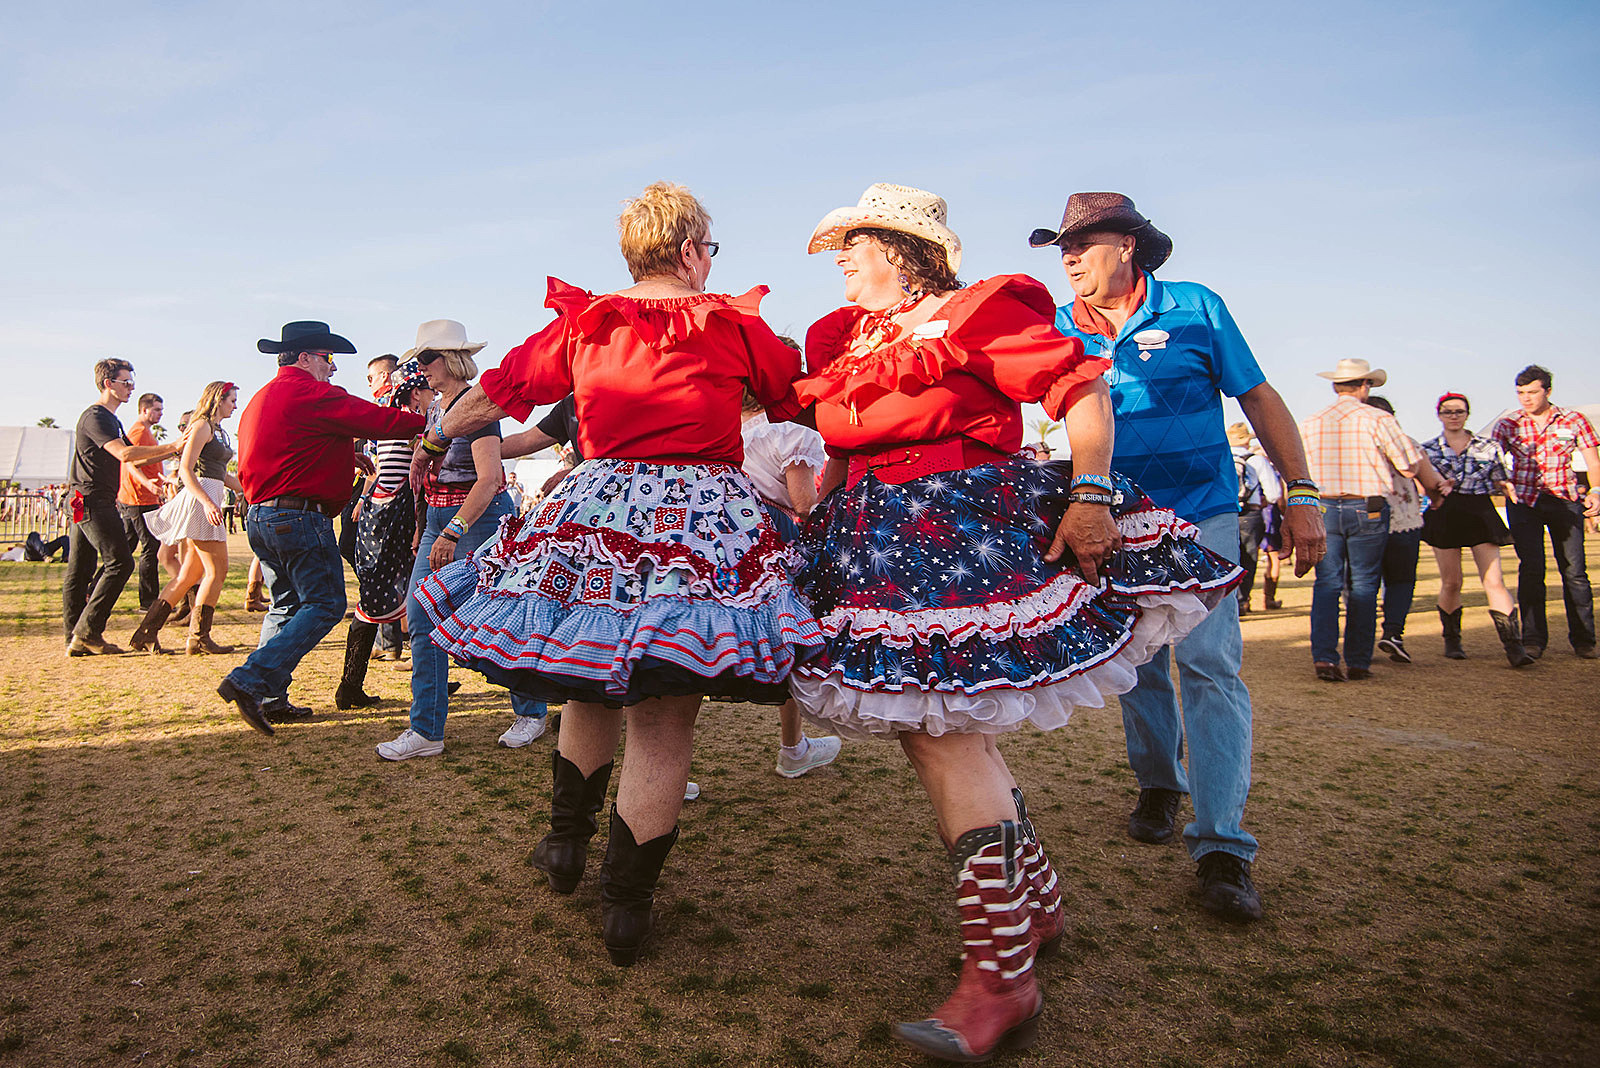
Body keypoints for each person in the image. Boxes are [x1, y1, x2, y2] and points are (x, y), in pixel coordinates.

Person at [792, 184, 1241, 1062]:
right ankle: (1034, 909)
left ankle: (1003, 977)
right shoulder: (844, 338)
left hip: (958, 534)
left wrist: (1091, 493)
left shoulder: (976, 311)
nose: (840, 256)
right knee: (945, 732)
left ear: (903, 250)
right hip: (873, 540)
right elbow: (843, 448)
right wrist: (814, 532)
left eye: (855, 242)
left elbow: (1081, 392)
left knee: (944, 736)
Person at [415, 182, 819, 968]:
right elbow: (799, 401)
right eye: (709, 250)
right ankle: (625, 910)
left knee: (585, 680)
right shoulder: (735, 322)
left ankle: (566, 847)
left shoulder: (584, 322)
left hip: (596, 508)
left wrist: (436, 441)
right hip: (700, 520)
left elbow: (476, 407)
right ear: (691, 250)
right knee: (664, 721)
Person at [1035, 191, 1322, 924]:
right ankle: (1160, 783)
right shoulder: (1057, 325)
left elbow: (1258, 397)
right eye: (1064, 247)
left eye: (1084, 243)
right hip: (1115, 518)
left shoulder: (1196, 307)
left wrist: (1300, 491)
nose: (1070, 257)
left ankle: (1223, 846)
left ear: (1128, 245)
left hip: (1203, 512)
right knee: (1137, 663)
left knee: (1209, 662)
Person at [216, 321, 425, 736]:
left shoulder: (264, 396)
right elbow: (379, 421)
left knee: (285, 606)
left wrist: (342, 455)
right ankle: (250, 680)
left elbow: (288, 449)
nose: (332, 367)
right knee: (326, 604)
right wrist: (437, 424)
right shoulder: (311, 393)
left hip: (263, 516)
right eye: (328, 358)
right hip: (298, 517)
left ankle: (270, 698)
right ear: (305, 357)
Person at [375, 319, 548, 759]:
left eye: (427, 358)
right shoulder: (435, 408)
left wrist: (453, 531)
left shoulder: (477, 408)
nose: (420, 367)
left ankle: (531, 712)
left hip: (478, 519)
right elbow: (429, 477)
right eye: (419, 359)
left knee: (499, 617)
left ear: (451, 359)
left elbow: (489, 479)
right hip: (440, 518)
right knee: (420, 618)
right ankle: (427, 731)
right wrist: (425, 527)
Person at [1300, 360, 1451, 682]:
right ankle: (1358, 660)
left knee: (1327, 583)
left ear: (1336, 386)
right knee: (1364, 584)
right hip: (1366, 505)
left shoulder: (1312, 421)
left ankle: (1324, 657)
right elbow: (1408, 466)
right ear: (1365, 385)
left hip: (1324, 505)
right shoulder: (1379, 419)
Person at [738, 367, 842, 779]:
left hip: (728, 535)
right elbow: (803, 503)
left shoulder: (723, 432)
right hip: (775, 535)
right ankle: (792, 747)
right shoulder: (790, 433)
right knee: (793, 638)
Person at [63, 359, 186, 656]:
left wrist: (171, 457)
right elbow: (125, 453)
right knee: (120, 563)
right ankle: (86, 632)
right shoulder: (97, 417)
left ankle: (76, 637)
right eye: (126, 382)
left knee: (81, 570)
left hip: (88, 499)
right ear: (109, 384)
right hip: (90, 500)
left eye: (132, 382)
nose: (131, 388)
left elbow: (134, 459)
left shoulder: (111, 420)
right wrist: (172, 446)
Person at [129, 382, 247, 655]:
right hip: (201, 501)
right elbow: (185, 469)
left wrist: (248, 490)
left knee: (189, 575)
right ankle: (198, 637)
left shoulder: (217, 430)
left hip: (208, 496)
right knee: (217, 571)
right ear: (218, 399)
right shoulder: (202, 426)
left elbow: (220, 474)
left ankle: (146, 633)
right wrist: (207, 502)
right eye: (232, 400)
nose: (235, 406)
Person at [1491, 365, 1600, 659]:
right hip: (1524, 502)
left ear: (1548, 391)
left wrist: (1596, 491)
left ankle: (1584, 639)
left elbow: (1593, 461)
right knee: (1531, 569)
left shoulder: (1574, 420)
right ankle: (1533, 639)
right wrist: (1501, 482)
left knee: (1574, 571)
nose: (1525, 398)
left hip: (1565, 501)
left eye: (1532, 392)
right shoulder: (1508, 424)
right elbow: (1493, 461)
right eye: (1520, 393)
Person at [333, 355, 419, 708]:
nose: (370, 384)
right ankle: (350, 685)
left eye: (372, 377)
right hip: (390, 514)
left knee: (396, 594)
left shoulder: (390, 407)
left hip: (384, 510)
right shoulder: (400, 410)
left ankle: (354, 684)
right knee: (386, 596)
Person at [1421, 392, 1530, 665]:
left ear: (1467, 414)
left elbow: (1499, 478)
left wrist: (1506, 486)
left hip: (1480, 512)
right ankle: (1452, 639)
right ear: (1439, 415)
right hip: (1444, 512)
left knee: (1494, 580)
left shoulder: (1488, 446)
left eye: (1459, 411)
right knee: (1452, 582)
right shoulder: (1427, 449)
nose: (1454, 416)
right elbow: (1421, 484)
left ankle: (1514, 646)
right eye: (1448, 412)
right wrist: (1436, 487)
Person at [1364, 396, 1426, 664]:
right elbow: (1427, 478)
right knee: (1401, 581)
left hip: (1365, 519)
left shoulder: (1355, 445)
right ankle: (1393, 632)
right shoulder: (1407, 443)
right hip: (1404, 520)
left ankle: (1361, 641)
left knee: (1363, 583)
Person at [117, 392, 167, 610]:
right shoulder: (138, 432)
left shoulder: (145, 431)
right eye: (156, 409)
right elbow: (129, 462)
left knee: (125, 548)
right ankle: (148, 601)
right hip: (138, 498)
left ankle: (93, 589)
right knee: (150, 546)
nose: (160, 414)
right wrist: (147, 483)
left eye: (161, 410)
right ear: (144, 410)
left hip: (138, 497)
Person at [1229, 422, 1282, 614]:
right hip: (1251, 514)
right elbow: (1274, 493)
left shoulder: (1223, 456)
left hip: (1226, 512)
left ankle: (1229, 599)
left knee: (1227, 556)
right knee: (1249, 558)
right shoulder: (1257, 460)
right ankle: (1243, 600)